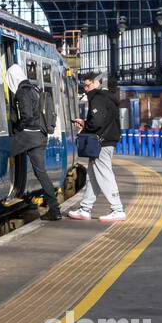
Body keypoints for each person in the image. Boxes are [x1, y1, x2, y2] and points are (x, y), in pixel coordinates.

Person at [6, 60, 62, 221]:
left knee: (3, 151)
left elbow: (27, 116)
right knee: (41, 173)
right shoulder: (35, 89)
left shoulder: (22, 92)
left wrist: (18, 129)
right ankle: (55, 209)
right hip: (41, 136)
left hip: (29, 135)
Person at [68, 70, 126, 223]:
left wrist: (86, 126)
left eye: (87, 85)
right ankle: (85, 208)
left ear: (96, 83)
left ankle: (117, 209)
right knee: (92, 176)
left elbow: (98, 122)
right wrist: (87, 124)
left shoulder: (98, 98)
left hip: (101, 143)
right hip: (106, 141)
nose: (85, 89)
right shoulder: (109, 98)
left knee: (105, 174)